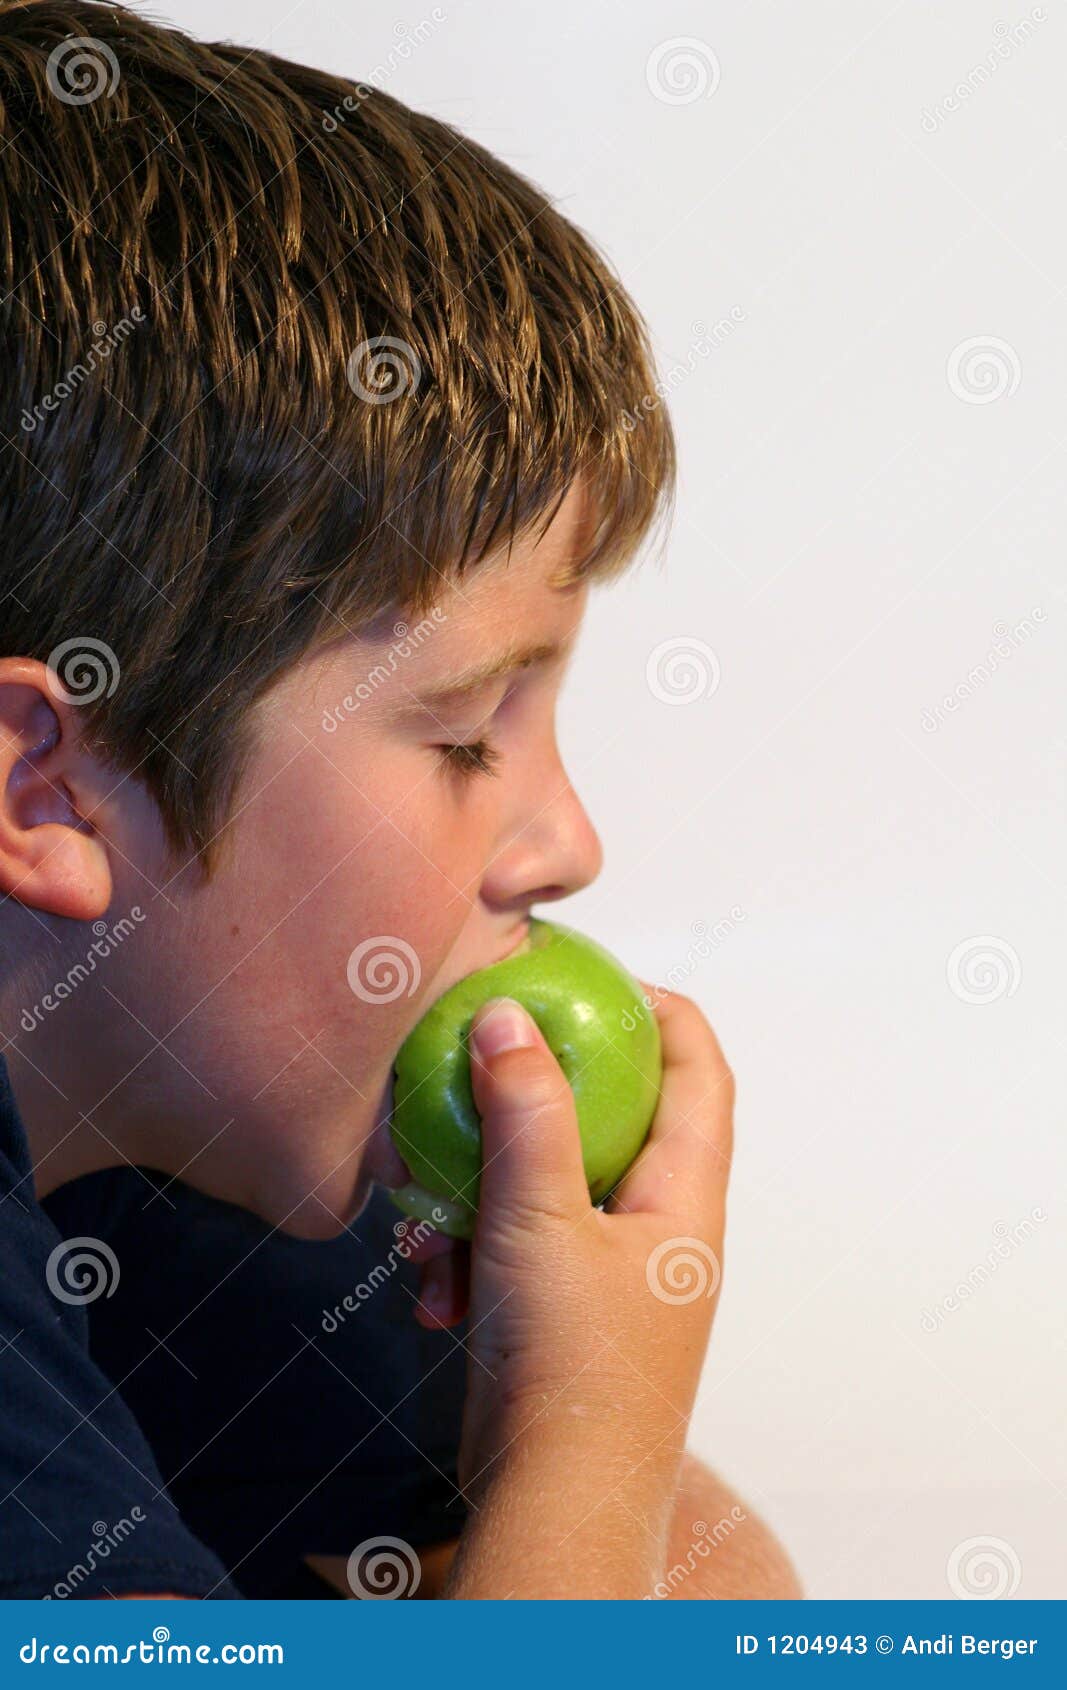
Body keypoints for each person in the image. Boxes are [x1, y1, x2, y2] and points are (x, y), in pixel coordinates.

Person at [0, 0, 801, 1599]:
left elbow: (722, 1578)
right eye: (459, 734)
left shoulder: (167, 1203)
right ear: (46, 785)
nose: (570, 845)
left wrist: (558, 1434)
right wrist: (586, 1433)